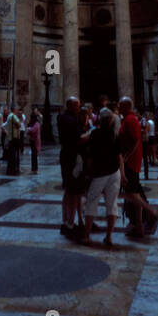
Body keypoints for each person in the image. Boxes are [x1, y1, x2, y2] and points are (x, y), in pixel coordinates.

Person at [82, 108, 124, 249]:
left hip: (99, 173)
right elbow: (119, 156)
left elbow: (90, 156)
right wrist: (122, 174)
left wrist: (87, 172)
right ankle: (109, 236)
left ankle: (87, 235)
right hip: (114, 172)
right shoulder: (114, 134)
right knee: (112, 204)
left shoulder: (95, 134)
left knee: (92, 202)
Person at [118, 97, 158, 237]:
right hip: (129, 162)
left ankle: (150, 212)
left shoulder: (130, 119)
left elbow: (135, 140)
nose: (118, 106)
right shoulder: (128, 119)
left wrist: (126, 157)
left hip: (130, 163)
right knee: (135, 193)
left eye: (120, 105)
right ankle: (139, 225)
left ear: (126, 106)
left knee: (132, 193)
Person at [57, 96, 84, 237]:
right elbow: (77, 140)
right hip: (72, 158)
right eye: (77, 105)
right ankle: (69, 224)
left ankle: (66, 221)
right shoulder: (71, 120)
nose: (79, 108)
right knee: (73, 191)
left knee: (69, 190)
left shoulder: (63, 118)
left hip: (66, 156)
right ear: (71, 106)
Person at [4, 103, 22, 175]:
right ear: (14, 109)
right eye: (17, 109)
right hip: (14, 138)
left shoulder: (9, 116)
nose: (17, 111)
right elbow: (19, 125)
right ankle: (13, 170)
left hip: (10, 137)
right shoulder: (13, 116)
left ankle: (10, 170)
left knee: (11, 155)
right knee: (14, 155)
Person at [26, 108, 42, 173]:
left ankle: (35, 169)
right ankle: (34, 169)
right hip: (33, 141)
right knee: (33, 156)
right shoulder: (34, 123)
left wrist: (29, 129)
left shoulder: (36, 123)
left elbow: (33, 130)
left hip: (35, 141)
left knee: (34, 156)